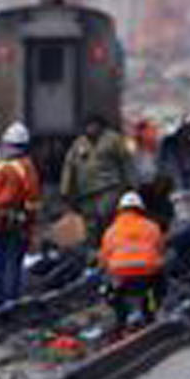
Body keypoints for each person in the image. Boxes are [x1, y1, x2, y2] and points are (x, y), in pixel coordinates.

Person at [0, 122, 42, 307]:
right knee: (14, 260)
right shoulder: (26, 167)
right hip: (17, 221)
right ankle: (11, 298)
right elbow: (32, 199)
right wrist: (30, 224)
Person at [60, 114, 136, 244]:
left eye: (93, 125)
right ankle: (94, 250)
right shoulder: (79, 144)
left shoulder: (113, 140)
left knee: (106, 217)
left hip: (109, 187)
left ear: (100, 125)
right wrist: (66, 191)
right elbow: (69, 167)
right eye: (88, 126)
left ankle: (110, 245)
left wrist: (131, 184)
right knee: (91, 225)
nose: (90, 129)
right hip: (86, 192)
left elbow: (126, 162)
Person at [98, 190, 166, 330]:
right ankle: (154, 308)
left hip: (121, 274)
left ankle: (121, 319)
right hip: (147, 272)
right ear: (141, 209)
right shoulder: (151, 226)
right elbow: (160, 250)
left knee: (109, 289)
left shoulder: (111, 231)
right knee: (160, 277)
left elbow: (104, 260)